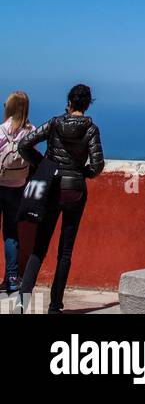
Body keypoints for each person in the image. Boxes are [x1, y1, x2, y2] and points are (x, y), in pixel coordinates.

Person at [15, 83, 104, 314]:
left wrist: (43, 164)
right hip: (75, 191)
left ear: (70, 102)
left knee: (39, 247)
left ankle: (22, 304)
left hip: (52, 189)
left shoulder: (55, 123)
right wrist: (81, 172)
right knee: (65, 252)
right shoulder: (91, 130)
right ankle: (55, 306)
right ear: (87, 104)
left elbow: (24, 144)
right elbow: (97, 166)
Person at [0, 92, 34, 295]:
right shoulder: (30, 132)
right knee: (11, 233)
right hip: (18, 186)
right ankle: (12, 279)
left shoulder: (1, 130)